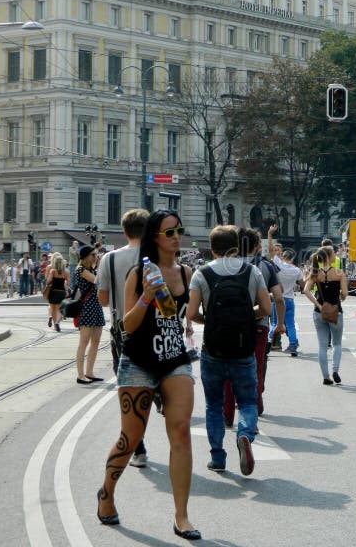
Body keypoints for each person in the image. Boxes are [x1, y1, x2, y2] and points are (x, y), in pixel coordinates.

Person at [97, 209, 200, 540]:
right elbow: (127, 325)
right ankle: (106, 495)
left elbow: (194, 314)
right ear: (155, 237)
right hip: (139, 361)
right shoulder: (137, 272)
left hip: (174, 359)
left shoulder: (186, 272)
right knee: (130, 440)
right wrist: (146, 296)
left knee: (181, 432)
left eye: (178, 231)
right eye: (169, 232)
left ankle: (181, 516)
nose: (176, 237)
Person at [187, 225, 270, 475]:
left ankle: (218, 458)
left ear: (212, 248)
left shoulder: (201, 273)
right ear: (236, 246)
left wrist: (209, 320)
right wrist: (246, 315)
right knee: (247, 401)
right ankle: (244, 435)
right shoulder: (252, 271)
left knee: (213, 404)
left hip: (213, 348)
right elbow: (265, 309)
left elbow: (191, 313)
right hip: (244, 348)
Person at [96, 208, 152, 467]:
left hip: (124, 333)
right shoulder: (157, 257)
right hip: (155, 332)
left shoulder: (109, 259)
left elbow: (103, 299)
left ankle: (138, 449)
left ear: (124, 231)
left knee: (130, 394)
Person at [238, 227, 285, 418]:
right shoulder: (265, 266)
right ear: (257, 246)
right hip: (259, 322)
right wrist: (280, 324)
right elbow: (279, 297)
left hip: (231, 323)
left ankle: (231, 403)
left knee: (232, 362)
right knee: (257, 364)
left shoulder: (226, 265)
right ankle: (255, 403)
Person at [303, 246, 348, 385]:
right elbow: (345, 294)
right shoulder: (340, 273)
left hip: (319, 312)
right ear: (328, 256)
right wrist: (341, 295)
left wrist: (319, 305)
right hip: (336, 311)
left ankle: (326, 376)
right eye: (333, 253)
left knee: (322, 345)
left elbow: (306, 290)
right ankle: (335, 369)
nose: (335, 255)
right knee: (337, 343)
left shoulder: (315, 273)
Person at [266, 225, 303, 354]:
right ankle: (293, 345)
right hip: (290, 299)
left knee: (275, 323)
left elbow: (270, 251)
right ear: (292, 258)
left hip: (277, 299)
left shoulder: (277, 264)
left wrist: (270, 234)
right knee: (290, 324)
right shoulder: (296, 270)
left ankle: (267, 341)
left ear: (282, 254)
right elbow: (303, 284)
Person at [73, 244, 105, 384]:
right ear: (85, 257)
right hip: (86, 308)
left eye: (96, 255)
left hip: (96, 306)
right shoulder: (80, 270)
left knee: (96, 341)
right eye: (93, 255)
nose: (96, 257)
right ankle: (80, 375)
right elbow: (98, 281)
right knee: (84, 342)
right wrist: (100, 265)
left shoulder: (93, 269)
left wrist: (97, 265)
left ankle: (89, 372)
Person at [45, 253, 69, 332]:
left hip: (53, 292)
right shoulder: (66, 272)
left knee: (53, 309)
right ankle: (57, 322)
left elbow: (48, 281)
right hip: (61, 292)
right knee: (59, 309)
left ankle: (55, 326)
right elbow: (68, 283)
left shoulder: (52, 271)